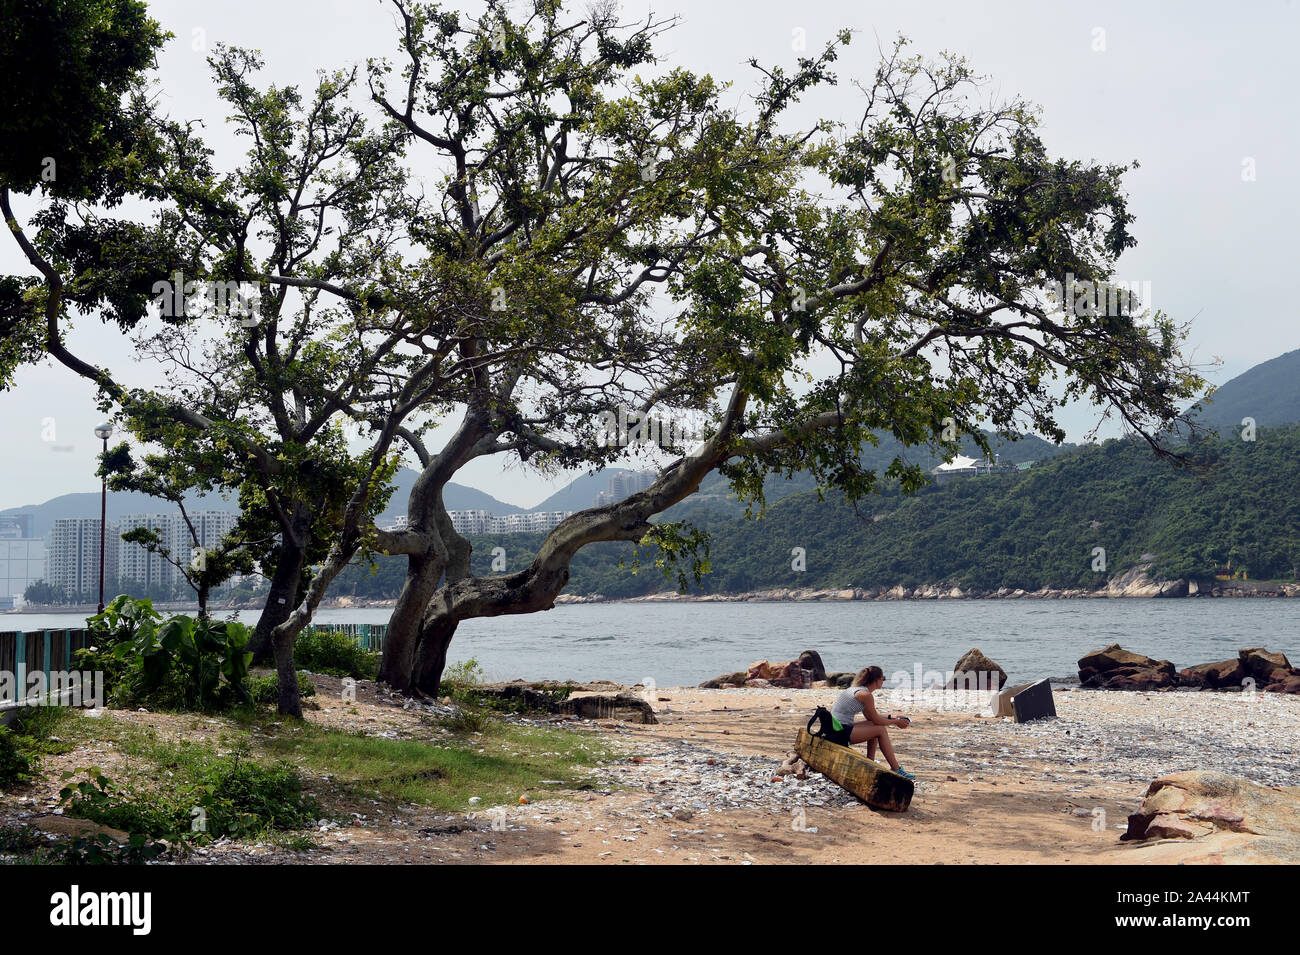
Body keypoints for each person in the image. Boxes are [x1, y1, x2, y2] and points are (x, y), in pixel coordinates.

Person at [829, 666, 916, 780]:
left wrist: (892, 717)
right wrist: (896, 722)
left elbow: (871, 717)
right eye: (883, 678)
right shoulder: (865, 695)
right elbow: (876, 719)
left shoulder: (857, 690)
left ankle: (870, 762)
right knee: (880, 729)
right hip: (839, 733)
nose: (883, 681)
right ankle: (896, 768)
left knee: (875, 727)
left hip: (835, 728)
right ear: (876, 680)